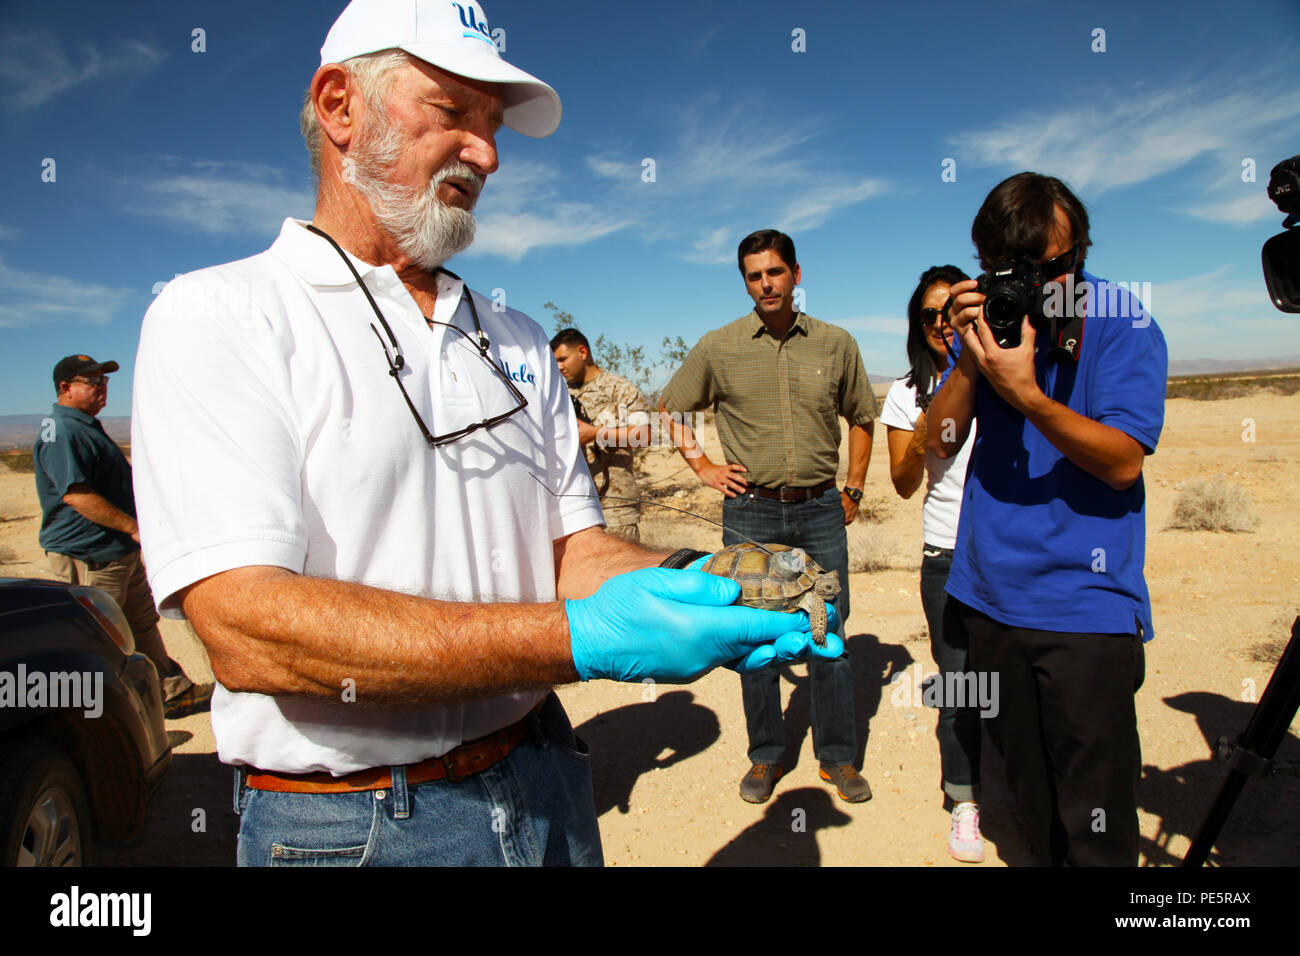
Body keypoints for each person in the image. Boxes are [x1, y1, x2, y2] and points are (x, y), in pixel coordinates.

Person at [130, 0, 840, 868]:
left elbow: (570, 549)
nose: (490, 154)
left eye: (494, 125)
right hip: (351, 827)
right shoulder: (221, 315)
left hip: (544, 778)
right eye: (453, 113)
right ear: (340, 106)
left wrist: (709, 580)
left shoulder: (517, 340)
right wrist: (574, 640)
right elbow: (246, 628)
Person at [929, 172, 1167, 866]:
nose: (1037, 285)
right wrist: (973, 367)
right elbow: (935, 448)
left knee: (1095, 818)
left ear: (1080, 252)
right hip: (989, 599)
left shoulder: (1123, 322)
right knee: (1029, 795)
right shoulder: (987, 329)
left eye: (1054, 268)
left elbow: (1123, 463)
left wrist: (1026, 395)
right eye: (1013, 270)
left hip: (1084, 609)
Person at [660, 229, 876, 805]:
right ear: (745, 282)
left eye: (775, 272)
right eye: (754, 276)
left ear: (796, 274)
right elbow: (670, 407)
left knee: (828, 630)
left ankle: (836, 758)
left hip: (820, 511)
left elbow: (861, 416)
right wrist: (703, 465)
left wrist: (853, 486)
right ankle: (766, 756)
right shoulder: (719, 346)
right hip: (750, 511)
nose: (766, 284)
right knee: (750, 635)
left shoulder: (836, 343)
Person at [33, 354, 212, 720]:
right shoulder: (62, 430)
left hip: (117, 551)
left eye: (104, 380)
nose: (101, 388)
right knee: (98, 635)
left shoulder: (84, 425)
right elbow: (76, 495)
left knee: (141, 625)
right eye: (91, 381)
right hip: (91, 554)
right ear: (66, 388)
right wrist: (133, 527)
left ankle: (169, 692)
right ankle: (98, 716)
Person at [879, 265, 985, 863]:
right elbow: (900, 480)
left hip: (1011, 554)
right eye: (929, 315)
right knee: (961, 685)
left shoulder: (1005, 369)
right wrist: (931, 413)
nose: (943, 322)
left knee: (1017, 685)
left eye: (952, 309)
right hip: (947, 554)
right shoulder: (905, 391)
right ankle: (964, 801)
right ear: (917, 326)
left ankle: (1025, 787)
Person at [550, 329, 651, 542]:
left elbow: (643, 435)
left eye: (562, 359)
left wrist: (593, 434)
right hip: (574, 506)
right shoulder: (558, 394)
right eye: (555, 362)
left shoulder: (619, 390)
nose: (559, 367)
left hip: (615, 506)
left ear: (582, 352)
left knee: (621, 572)